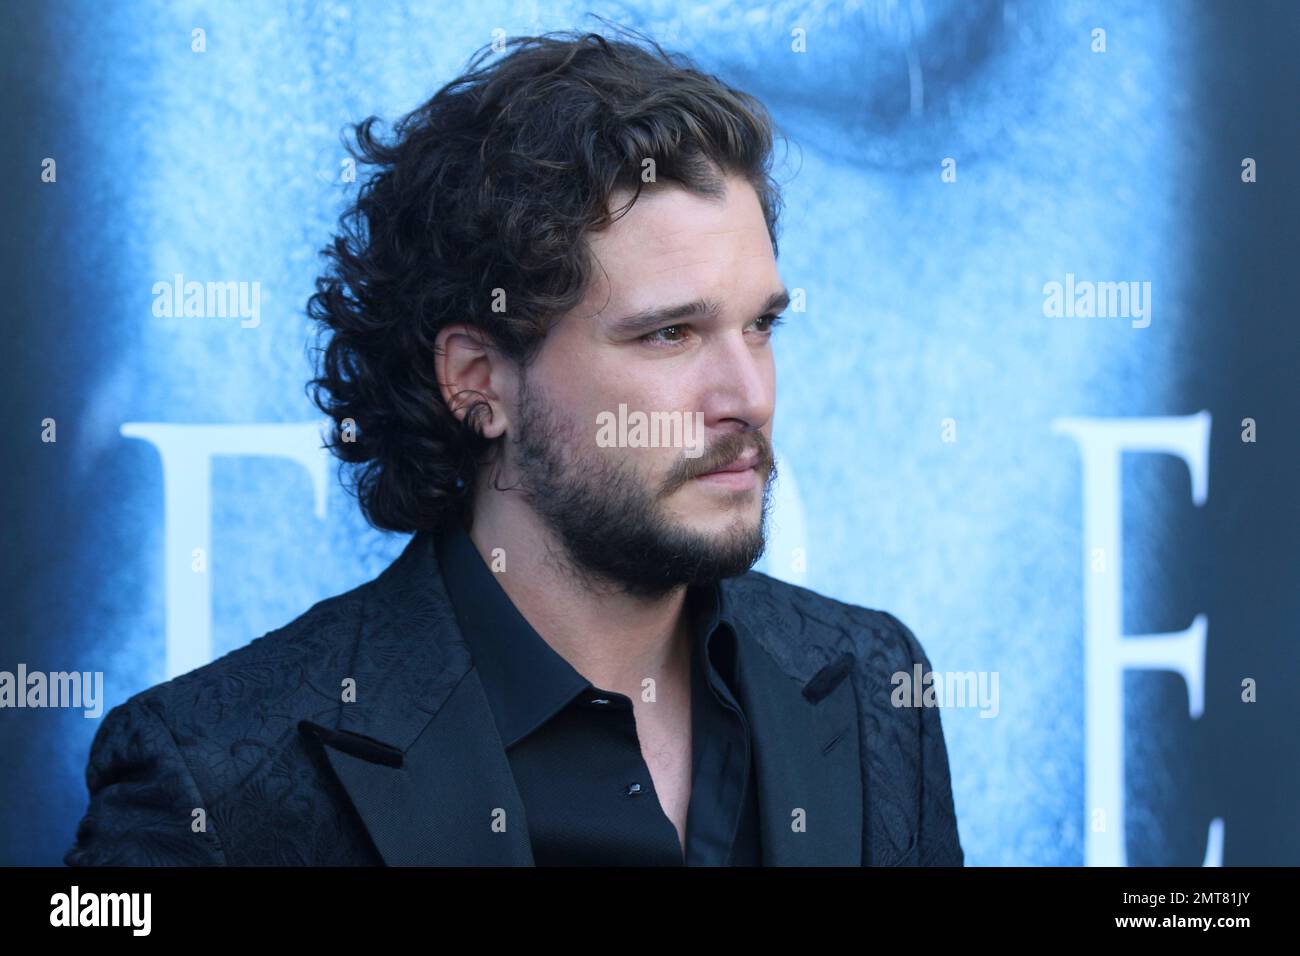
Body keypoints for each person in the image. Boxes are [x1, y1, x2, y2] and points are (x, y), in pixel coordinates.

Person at [65, 27, 962, 867]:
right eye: (669, 335)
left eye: (760, 326)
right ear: (477, 380)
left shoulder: (873, 682)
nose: (749, 397)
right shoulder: (217, 783)